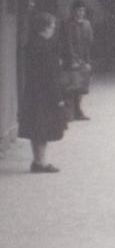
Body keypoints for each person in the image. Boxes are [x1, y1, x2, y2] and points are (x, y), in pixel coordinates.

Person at [18, 13, 67, 173]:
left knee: (36, 127)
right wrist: (58, 97)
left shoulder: (31, 44)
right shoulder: (45, 47)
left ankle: (38, 160)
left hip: (33, 91)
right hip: (45, 94)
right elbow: (50, 74)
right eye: (52, 26)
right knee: (43, 128)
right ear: (45, 27)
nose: (53, 29)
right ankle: (41, 162)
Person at [61, 0, 94, 120]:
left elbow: (89, 43)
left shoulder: (87, 24)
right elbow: (67, 44)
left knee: (82, 87)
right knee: (70, 86)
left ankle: (78, 110)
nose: (81, 13)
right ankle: (70, 112)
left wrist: (87, 61)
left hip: (83, 59)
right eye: (78, 10)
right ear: (73, 11)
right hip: (71, 60)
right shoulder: (67, 24)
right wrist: (72, 60)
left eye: (83, 10)